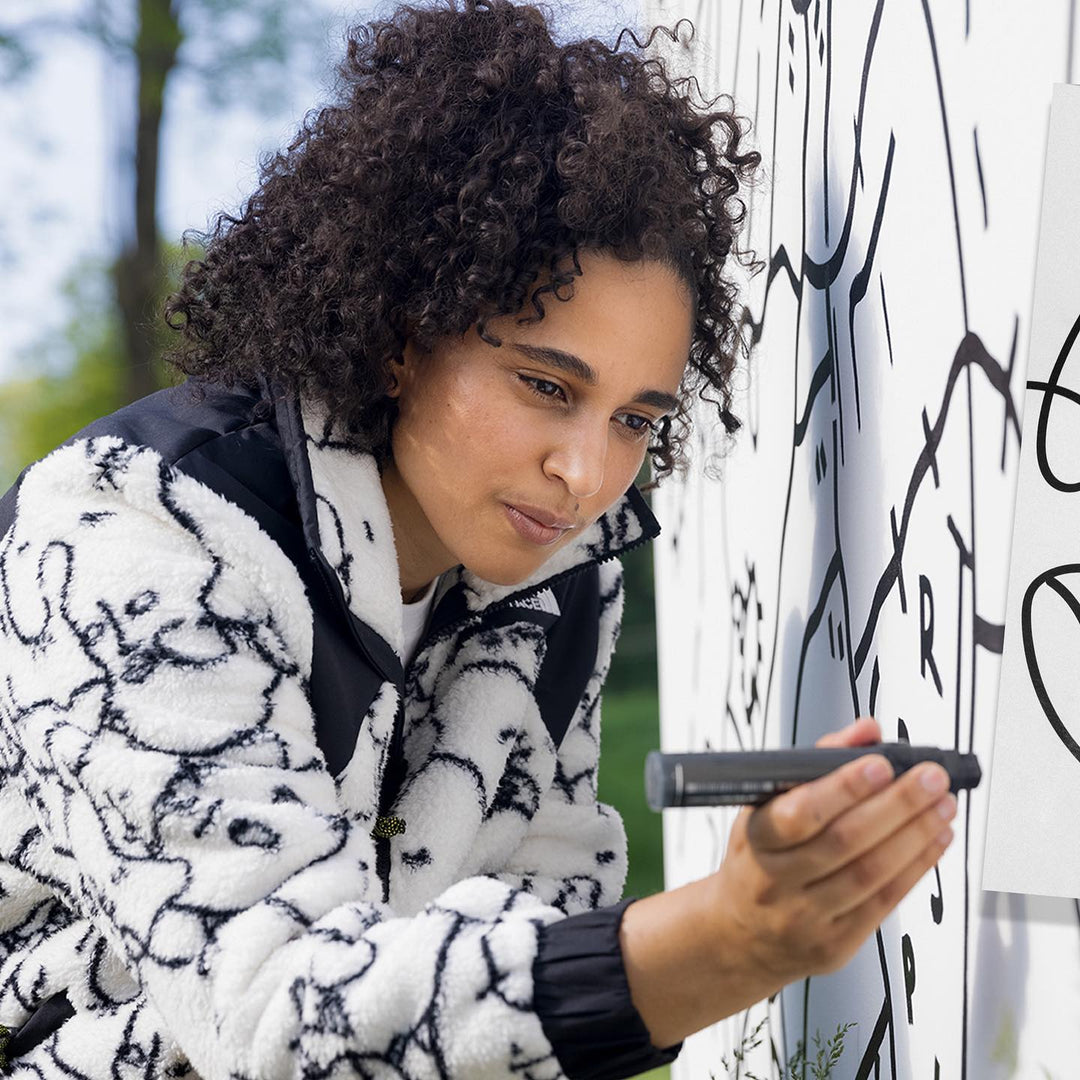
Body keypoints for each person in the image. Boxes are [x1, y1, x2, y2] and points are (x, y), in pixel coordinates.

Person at [0, 1, 957, 1077]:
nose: (587, 475)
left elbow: (538, 926)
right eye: (547, 386)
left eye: (637, 420)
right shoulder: (142, 529)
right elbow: (266, 1019)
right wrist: (725, 940)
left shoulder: (558, 576)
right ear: (405, 334)